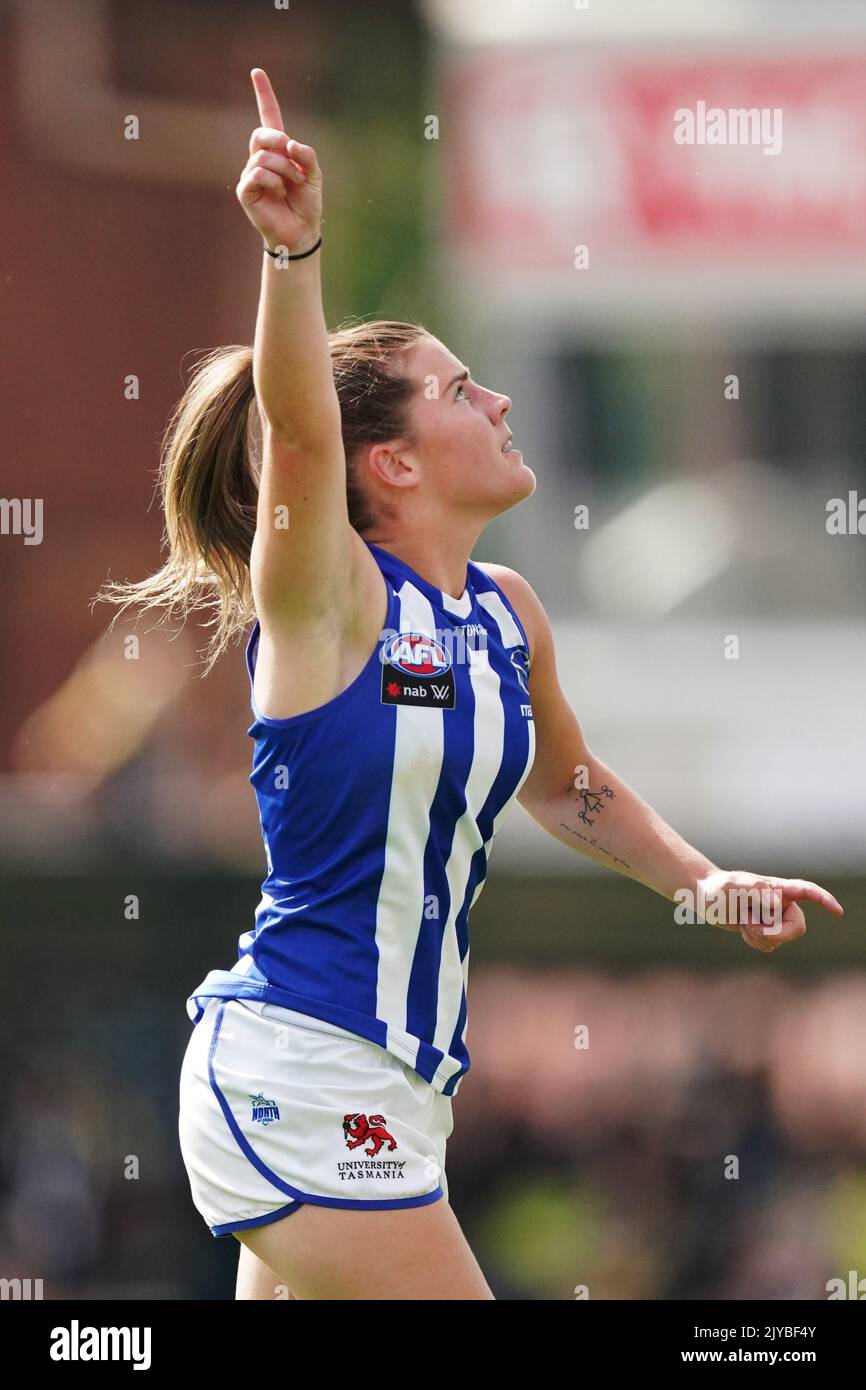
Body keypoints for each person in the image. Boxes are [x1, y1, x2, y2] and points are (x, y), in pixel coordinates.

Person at [99, 69, 844, 1301]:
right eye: (457, 390)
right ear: (388, 464)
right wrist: (292, 253)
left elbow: (566, 785)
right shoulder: (330, 599)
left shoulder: (505, 613)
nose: (495, 399)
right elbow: (300, 434)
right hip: (305, 1067)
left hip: (395, 1088)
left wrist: (700, 882)